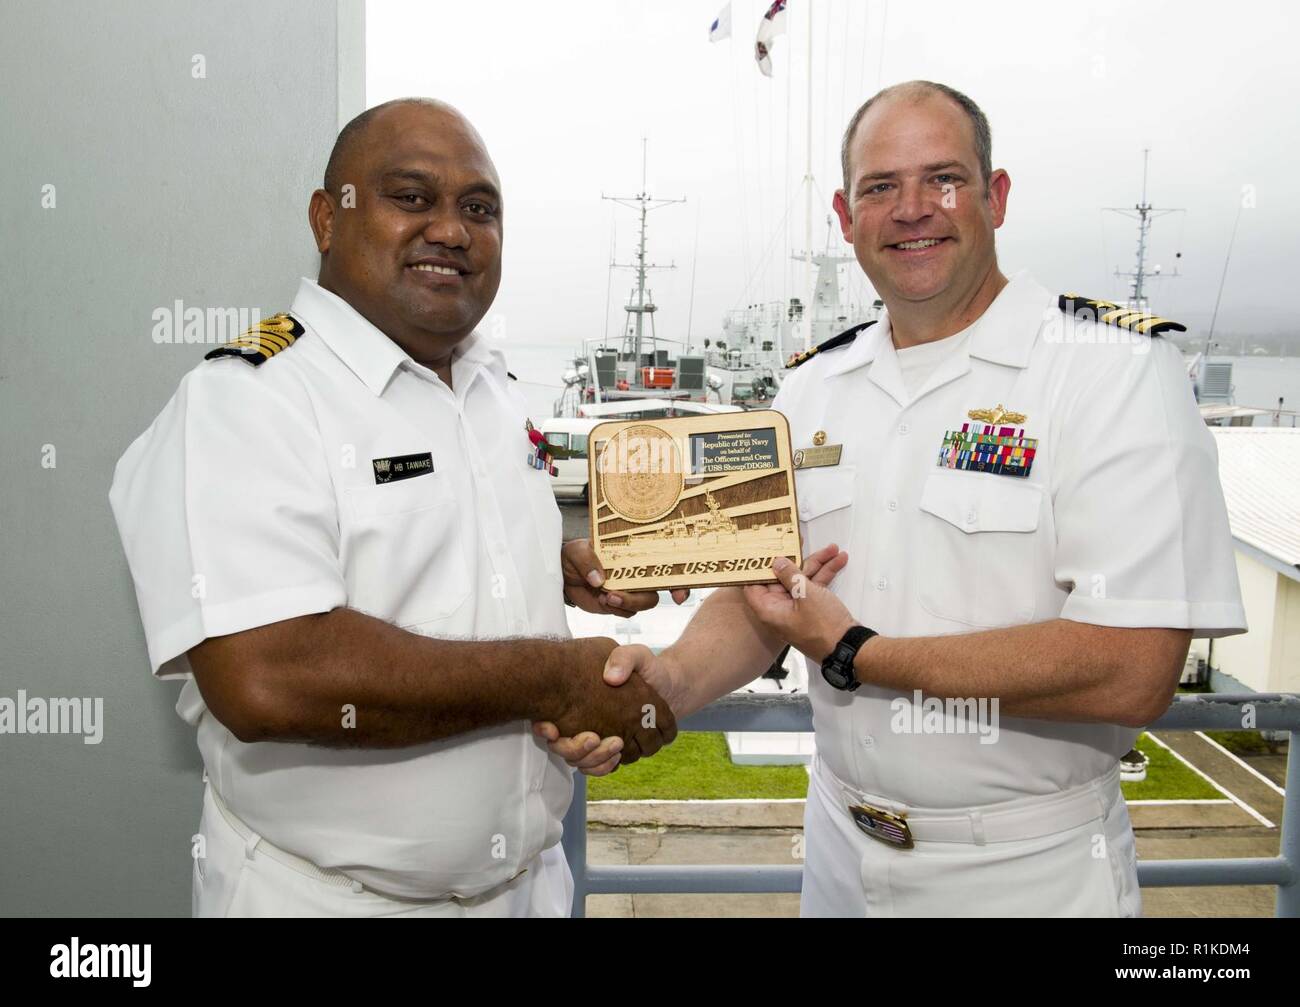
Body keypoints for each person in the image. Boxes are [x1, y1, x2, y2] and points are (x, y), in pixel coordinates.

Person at [537, 80, 1247, 917]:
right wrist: (664, 685)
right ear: (845, 217)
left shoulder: (1112, 372)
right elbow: (761, 594)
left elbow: (1133, 669)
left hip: (1026, 871)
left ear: (997, 196)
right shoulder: (811, 389)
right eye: (881, 187)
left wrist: (855, 650)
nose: (913, 209)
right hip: (839, 853)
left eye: (943, 178)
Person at [109, 98, 679, 918]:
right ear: (326, 219)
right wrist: (556, 679)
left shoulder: (490, 388)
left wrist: (545, 565)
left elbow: (420, 541)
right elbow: (266, 673)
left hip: (530, 889)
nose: (451, 228)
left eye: (479, 209)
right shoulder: (244, 403)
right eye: (412, 197)